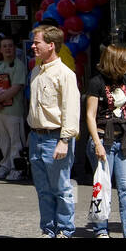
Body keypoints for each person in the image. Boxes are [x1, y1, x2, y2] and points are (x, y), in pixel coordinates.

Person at [27, 25, 80, 237]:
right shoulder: (36, 71)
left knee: (61, 188)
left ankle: (65, 230)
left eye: (36, 42)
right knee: (43, 190)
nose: (33, 46)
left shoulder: (65, 74)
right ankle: (48, 229)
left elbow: (71, 109)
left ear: (51, 45)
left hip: (55, 137)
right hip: (36, 137)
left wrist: (64, 140)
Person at [85, 44, 126, 238]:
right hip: (102, 139)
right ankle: (101, 229)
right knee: (103, 186)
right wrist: (97, 144)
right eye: (125, 60)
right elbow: (90, 116)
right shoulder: (96, 82)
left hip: (123, 140)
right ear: (115, 62)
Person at [0, 35, 27, 180]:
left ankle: (16, 168)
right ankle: (5, 165)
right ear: (0, 49)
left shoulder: (19, 65)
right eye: (4, 46)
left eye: (10, 46)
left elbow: (17, 87)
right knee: (3, 141)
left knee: (16, 142)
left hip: (14, 111)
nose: (7, 49)